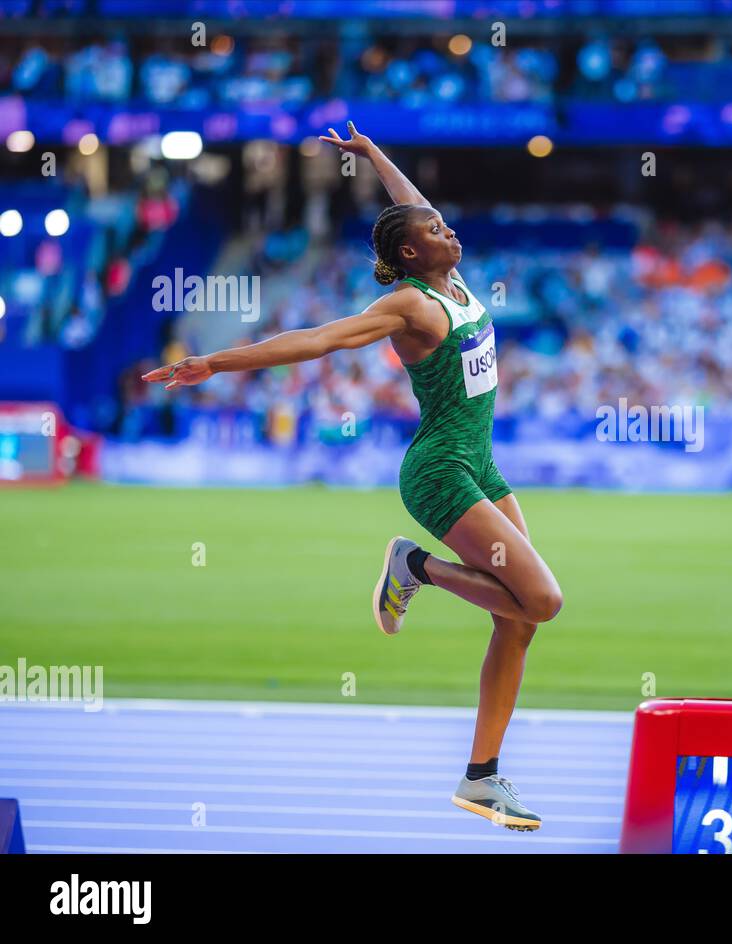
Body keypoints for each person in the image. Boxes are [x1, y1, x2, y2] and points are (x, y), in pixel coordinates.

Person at [143, 122, 562, 832]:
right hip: (442, 469)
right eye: (435, 229)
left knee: (517, 622)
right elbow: (315, 340)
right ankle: (416, 567)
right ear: (409, 253)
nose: (448, 229)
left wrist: (373, 157)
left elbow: (412, 205)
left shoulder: (449, 277)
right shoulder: (410, 305)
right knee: (543, 601)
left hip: (482, 463)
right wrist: (217, 362)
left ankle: (481, 778)